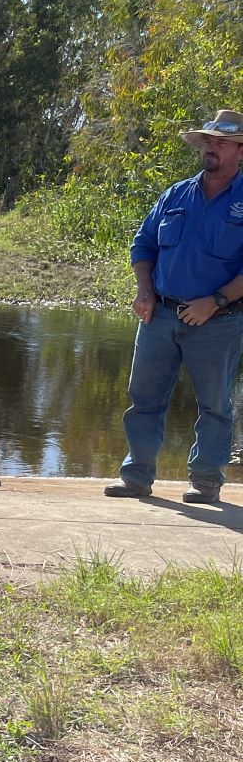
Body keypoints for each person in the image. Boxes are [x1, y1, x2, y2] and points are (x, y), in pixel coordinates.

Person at [103, 110, 243, 505]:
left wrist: (215, 302)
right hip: (159, 314)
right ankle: (136, 477)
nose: (211, 148)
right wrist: (144, 290)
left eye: (221, 142)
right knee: (143, 398)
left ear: (240, 151)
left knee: (215, 404)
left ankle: (206, 480)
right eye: (207, 141)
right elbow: (143, 245)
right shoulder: (176, 194)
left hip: (219, 321)